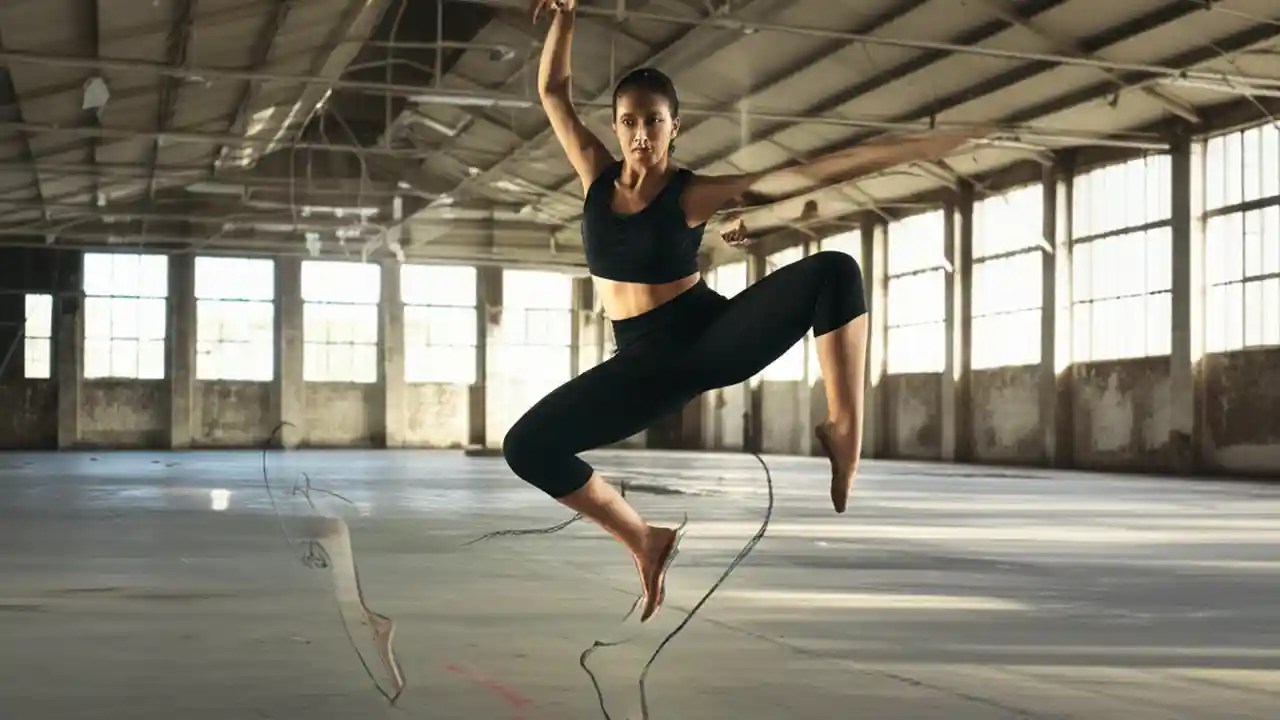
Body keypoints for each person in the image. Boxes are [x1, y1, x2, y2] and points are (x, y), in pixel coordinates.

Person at [504, 0, 987, 623]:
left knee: (836, 270)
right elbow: (552, 92)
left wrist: (896, 152)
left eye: (654, 120)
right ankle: (644, 539)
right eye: (629, 121)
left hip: (708, 337)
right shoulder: (595, 176)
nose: (641, 134)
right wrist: (567, 18)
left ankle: (845, 428)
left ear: (675, 125)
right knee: (527, 448)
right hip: (643, 364)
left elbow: (800, 174)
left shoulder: (691, 193)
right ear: (617, 126)